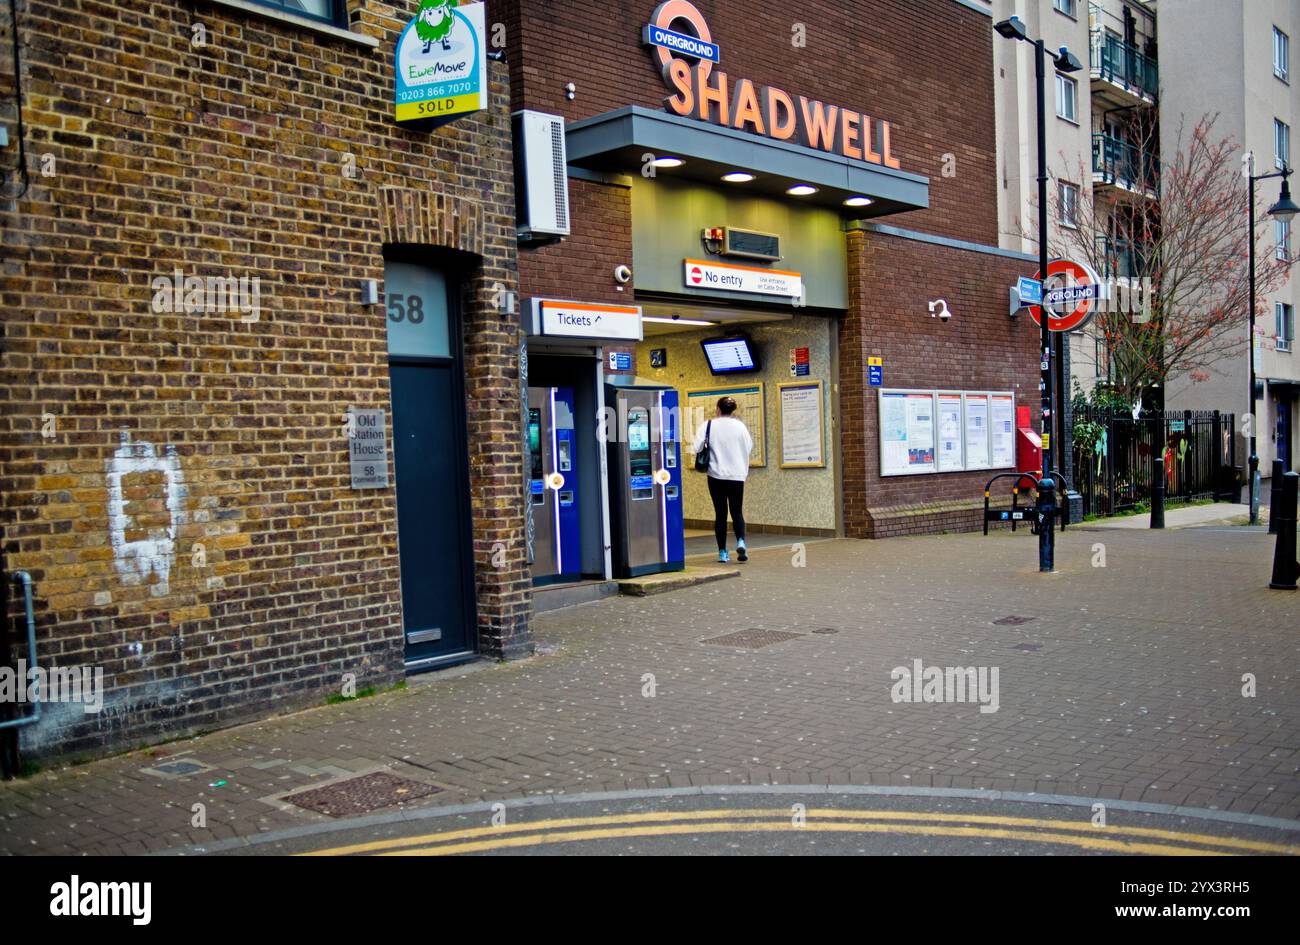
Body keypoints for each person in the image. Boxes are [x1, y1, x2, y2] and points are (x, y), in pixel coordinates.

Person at [692, 396, 753, 563]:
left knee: (720, 514)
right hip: (737, 476)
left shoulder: (708, 425)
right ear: (732, 410)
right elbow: (748, 447)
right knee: (737, 511)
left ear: (718, 409)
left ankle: (723, 553)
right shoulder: (740, 426)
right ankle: (741, 541)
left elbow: (696, 447)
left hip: (716, 475)